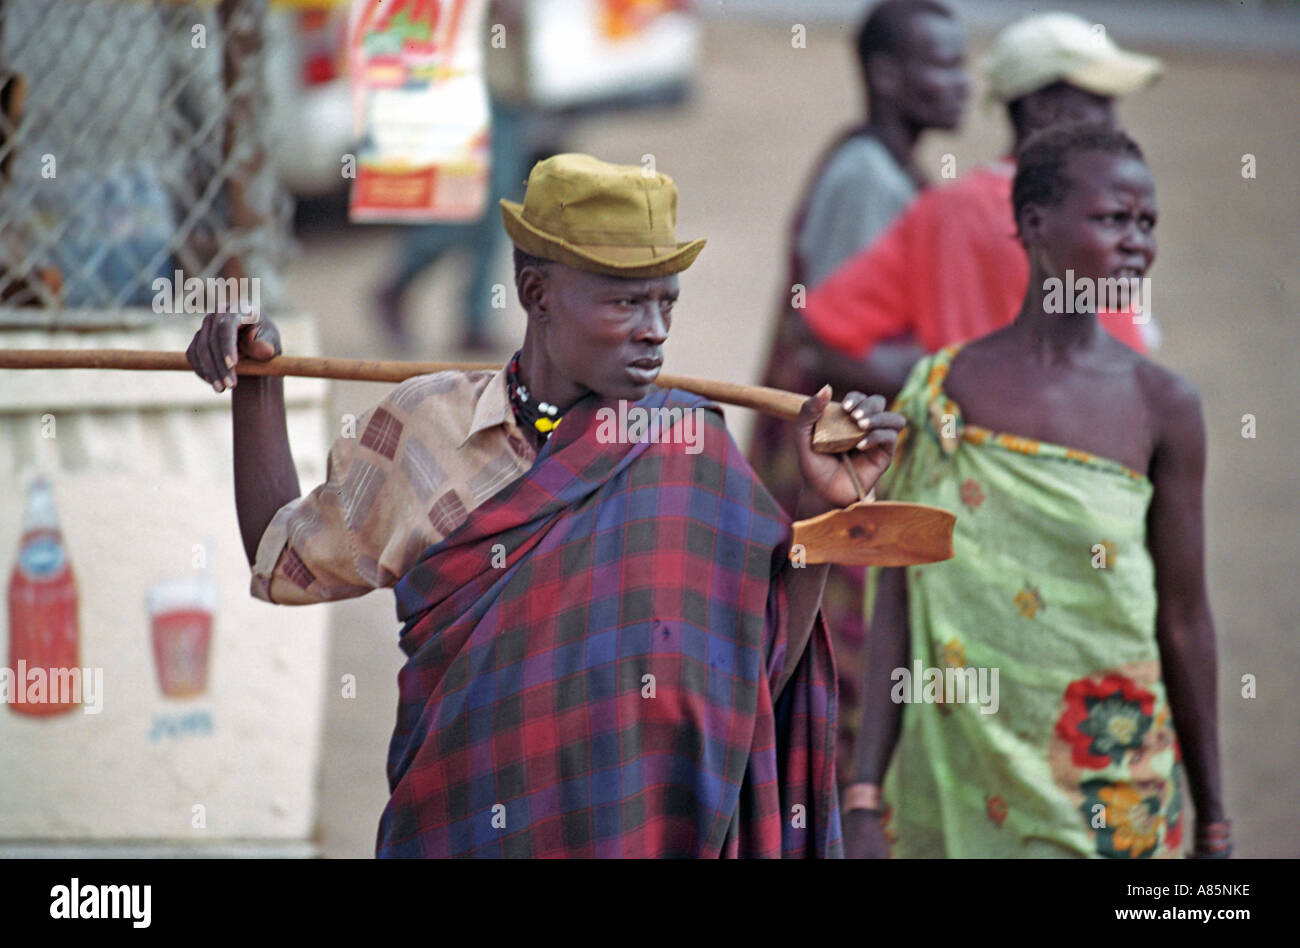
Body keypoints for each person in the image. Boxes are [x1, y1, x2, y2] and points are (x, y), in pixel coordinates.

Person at [186, 153, 905, 858]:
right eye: (626, 301)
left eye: (667, 302)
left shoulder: (690, 446)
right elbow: (278, 557)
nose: (655, 328)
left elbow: (762, 668)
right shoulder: (427, 426)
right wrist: (257, 381)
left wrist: (820, 506)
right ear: (535, 294)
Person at [842, 124, 1231, 859]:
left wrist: (1214, 819)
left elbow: (1184, 620)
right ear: (1032, 223)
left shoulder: (1163, 407)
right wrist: (865, 792)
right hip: (959, 777)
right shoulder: (943, 392)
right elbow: (898, 595)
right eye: (1113, 218)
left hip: (1115, 785)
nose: (1136, 242)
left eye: (1147, 224)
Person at [747, 0, 968, 782]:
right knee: (834, 651)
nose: (962, 84)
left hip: (841, 450)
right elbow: (832, 337)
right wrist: (955, 376)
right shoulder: (868, 180)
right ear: (885, 74)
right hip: (832, 454)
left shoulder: (883, 166)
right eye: (942, 65)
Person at [800, 12, 1165, 402]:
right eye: (1100, 102)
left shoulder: (939, 211)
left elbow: (823, 333)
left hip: (958, 457)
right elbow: (1128, 382)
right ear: (1042, 106)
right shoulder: (1086, 222)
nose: (1114, 124)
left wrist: (939, 398)